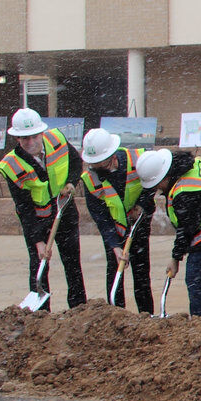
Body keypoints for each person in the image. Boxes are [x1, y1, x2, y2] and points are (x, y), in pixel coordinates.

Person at [0, 108, 86, 310]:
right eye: (23, 138)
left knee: (73, 264)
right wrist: (37, 240)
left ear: (41, 133)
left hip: (65, 212)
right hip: (37, 220)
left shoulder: (57, 140)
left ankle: (79, 310)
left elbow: (75, 162)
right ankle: (41, 315)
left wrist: (72, 182)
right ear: (17, 138)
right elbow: (23, 207)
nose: (30, 142)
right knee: (38, 265)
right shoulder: (12, 165)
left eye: (33, 136)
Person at [136, 148, 201, 319]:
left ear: (165, 177)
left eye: (156, 185)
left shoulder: (185, 190)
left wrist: (175, 258)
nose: (157, 189)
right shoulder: (186, 167)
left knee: (197, 281)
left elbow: (187, 228)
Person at [80, 127, 154, 312]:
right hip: (114, 228)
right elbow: (101, 218)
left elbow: (154, 181)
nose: (97, 169)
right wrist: (115, 245)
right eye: (93, 164)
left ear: (112, 156)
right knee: (114, 272)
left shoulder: (139, 159)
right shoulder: (90, 179)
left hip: (139, 225)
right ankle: (116, 315)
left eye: (100, 164)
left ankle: (147, 316)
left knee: (141, 275)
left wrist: (142, 204)